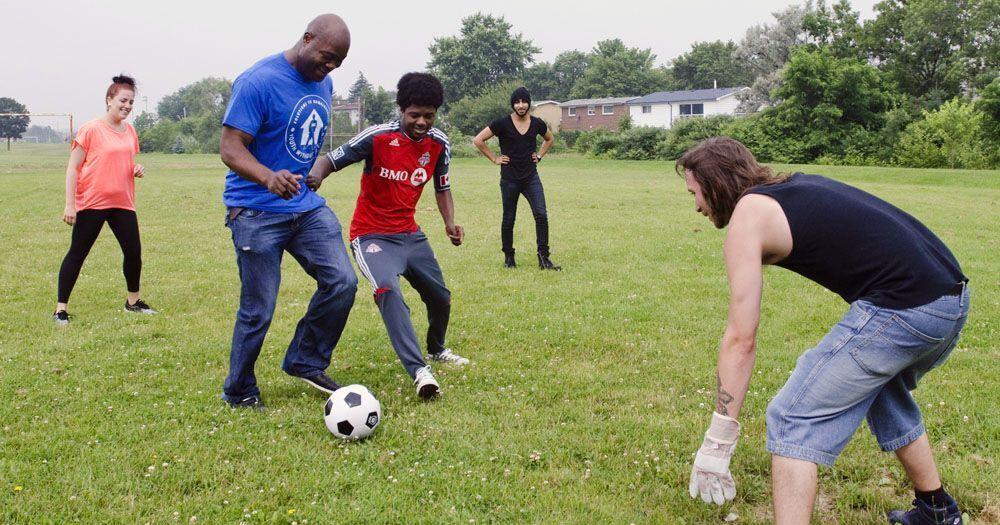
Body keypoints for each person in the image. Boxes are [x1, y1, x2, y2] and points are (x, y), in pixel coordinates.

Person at [679, 137, 970, 525]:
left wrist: (719, 438)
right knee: (879, 386)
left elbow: (740, 338)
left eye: (695, 193)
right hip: (951, 300)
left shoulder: (748, 218)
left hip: (908, 308)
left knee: (792, 418)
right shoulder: (791, 188)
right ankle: (937, 510)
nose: (696, 206)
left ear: (714, 184)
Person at [218, 14, 358, 410]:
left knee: (342, 281)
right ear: (307, 38)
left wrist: (310, 171)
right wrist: (268, 177)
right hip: (255, 209)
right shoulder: (258, 81)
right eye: (327, 57)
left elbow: (301, 135)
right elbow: (230, 147)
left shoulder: (323, 82)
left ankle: (305, 360)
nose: (330, 67)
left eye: (338, 63)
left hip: (304, 206)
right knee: (258, 310)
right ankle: (239, 390)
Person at [308, 72, 469, 400]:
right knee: (388, 290)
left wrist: (450, 223)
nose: (422, 122)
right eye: (414, 115)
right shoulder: (378, 137)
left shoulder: (439, 144)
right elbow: (330, 160)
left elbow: (442, 187)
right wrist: (315, 177)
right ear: (401, 109)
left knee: (441, 298)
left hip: (410, 234)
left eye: (429, 116)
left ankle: (437, 349)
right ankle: (420, 371)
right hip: (371, 236)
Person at [55, 74, 156, 325]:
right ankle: (60, 310)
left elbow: (122, 161)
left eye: (131, 102)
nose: (127, 106)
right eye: (123, 100)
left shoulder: (130, 131)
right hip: (92, 202)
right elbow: (73, 168)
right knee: (78, 253)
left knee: (133, 252)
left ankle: (133, 302)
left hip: (122, 202)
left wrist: (135, 168)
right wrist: (70, 204)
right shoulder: (91, 129)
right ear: (109, 99)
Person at [472, 87, 560, 270]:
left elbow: (549, 139)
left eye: (524, 101)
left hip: (531, 178)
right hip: (509, 179)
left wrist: (540, 156)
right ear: (513, 104)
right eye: (517, 102)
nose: (521, 105)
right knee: (509, 218)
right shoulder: (502, 123)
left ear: (529, 103)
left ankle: (544, 258)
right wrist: (495, 158)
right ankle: (509, 257)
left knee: (541, 215)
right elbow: (478, 140)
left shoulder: (537, 123)